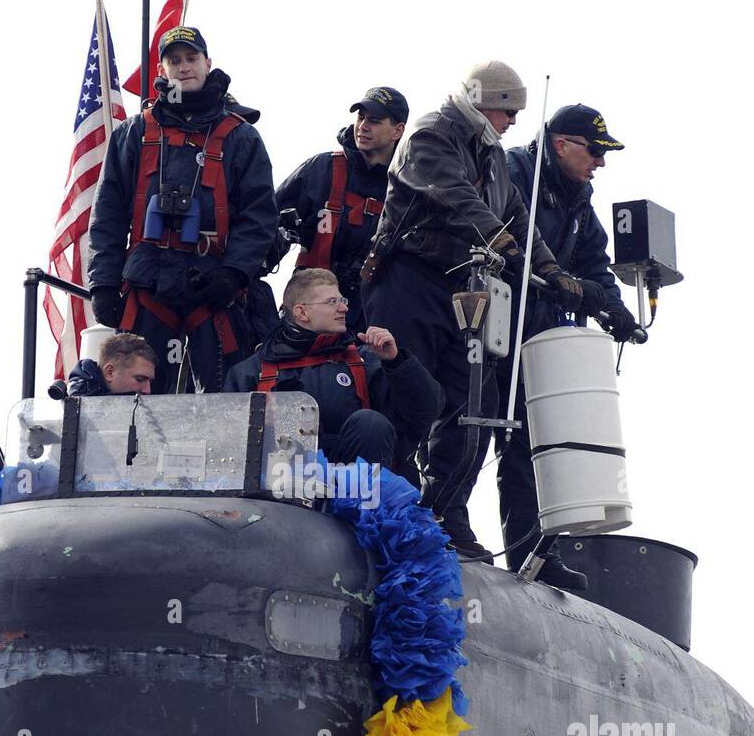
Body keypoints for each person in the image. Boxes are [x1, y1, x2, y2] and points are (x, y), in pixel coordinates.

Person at [364, 60, 581, 561]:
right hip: (409, 281)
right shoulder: (430, 135)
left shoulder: (493, 157)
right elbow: (453, 197)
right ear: (489, 105)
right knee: (403, 394)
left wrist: (553, 273)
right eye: (509, 113)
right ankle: (392, 504)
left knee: (470, 405)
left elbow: (518, 217)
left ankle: (445, 510)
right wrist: (502, 242)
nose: (513, 124)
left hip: (461, 289)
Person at [87, 25, 278, 393]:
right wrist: (103, 284)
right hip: (147, 285)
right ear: (161, 70)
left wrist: (234, 275)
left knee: (227, 396)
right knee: (136, 395)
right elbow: (107, 213)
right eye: (174, 61)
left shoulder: (242, 137)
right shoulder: (133, 133)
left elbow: (259, 217)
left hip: (215, 286)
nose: (184, 67)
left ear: (207, 63)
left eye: (192, 58)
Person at [498, 105, 637, 587]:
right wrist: (553, 280)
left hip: (538, 341)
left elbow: (595, 264)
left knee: (527, 446)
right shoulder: (511, 174)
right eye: (595, 151)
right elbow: (499, 238)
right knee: (465, 433)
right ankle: (442, 531)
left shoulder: (578, 201)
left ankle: (531, 553)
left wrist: (615, 309)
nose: (600, 162)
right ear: (562, 144)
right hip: (488, 329)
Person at [224, 267, 442, 469]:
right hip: (279, 495)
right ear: (302, 312)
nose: (344, 307)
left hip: (356, 496)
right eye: (332, 301)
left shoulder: (364, 360)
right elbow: (228, 448)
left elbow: (427, 412)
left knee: (370, 423)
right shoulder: (250, 373)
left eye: (342, 300)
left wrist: (397, 362)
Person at [273, 87, 409, 330]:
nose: (363, 126)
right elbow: (266, 223)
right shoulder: (322, 168)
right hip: (308, 315)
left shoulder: (406, 188)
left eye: (375, 121)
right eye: (360, 117)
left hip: (371, 320)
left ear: (398, 130)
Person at [66, 333, 158, 396]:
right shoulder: (76, 412)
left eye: (150, 382)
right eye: (140, 379)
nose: (148, 390)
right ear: (110, 372)